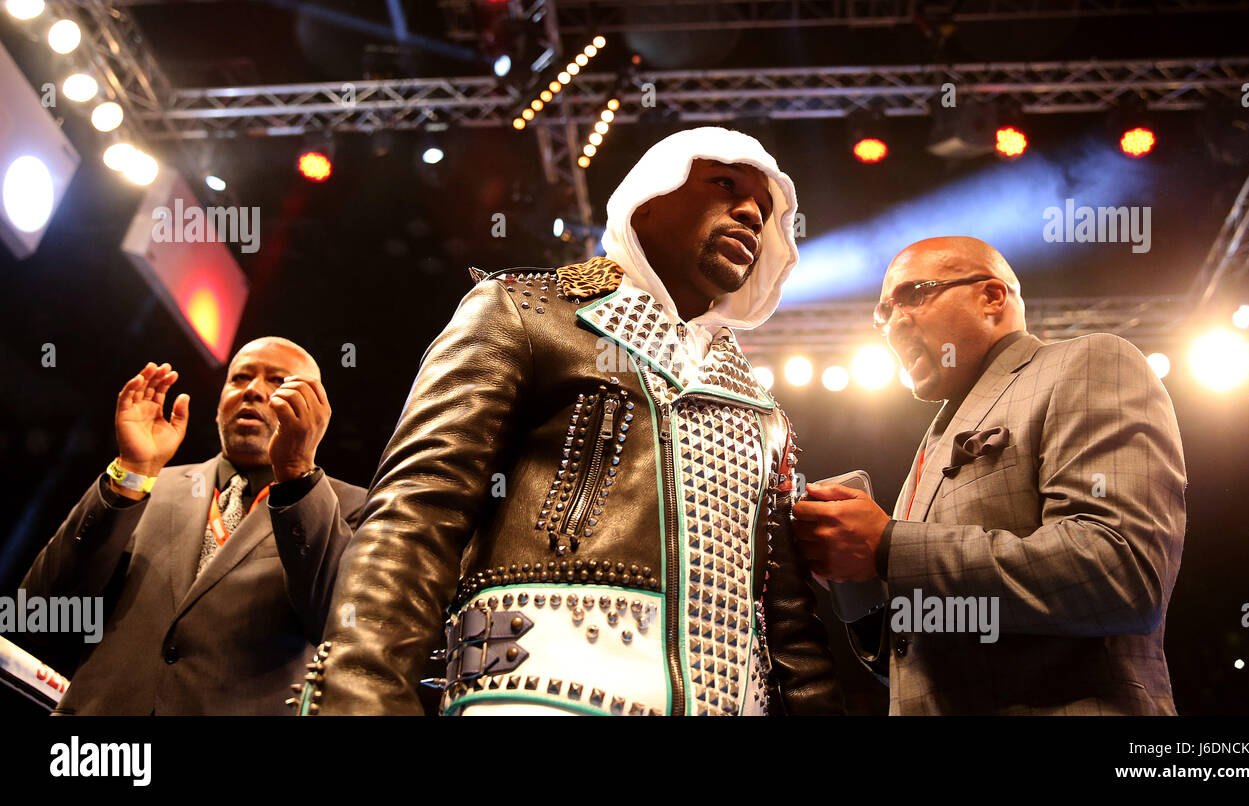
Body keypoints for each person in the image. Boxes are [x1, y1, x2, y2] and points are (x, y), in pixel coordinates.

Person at [300, 127, 842, 716]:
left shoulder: (763, 411)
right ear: (650, 197)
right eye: (725, 184)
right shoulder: (524, 313)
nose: (750, 213)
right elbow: (418, 511)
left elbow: (789, 623)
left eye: (765, 208)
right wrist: (361, 688)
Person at [792, 236, 1186, 715]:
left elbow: (1119, 572)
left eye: (914, 295)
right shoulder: (935, 441)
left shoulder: (1090, 362)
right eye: (882, 312)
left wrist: (889, 546)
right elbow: (915, 664)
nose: (893, 324)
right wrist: (859, 583)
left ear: (992, 298)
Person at [21, 337, 365, 714]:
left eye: (278, 381)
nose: (252, 390)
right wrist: (131, 475)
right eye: (240, 378)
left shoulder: (348, 507)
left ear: (316, 410)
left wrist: (298, 472)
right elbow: (42, 609)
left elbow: (338, 631)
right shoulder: (146, 483)